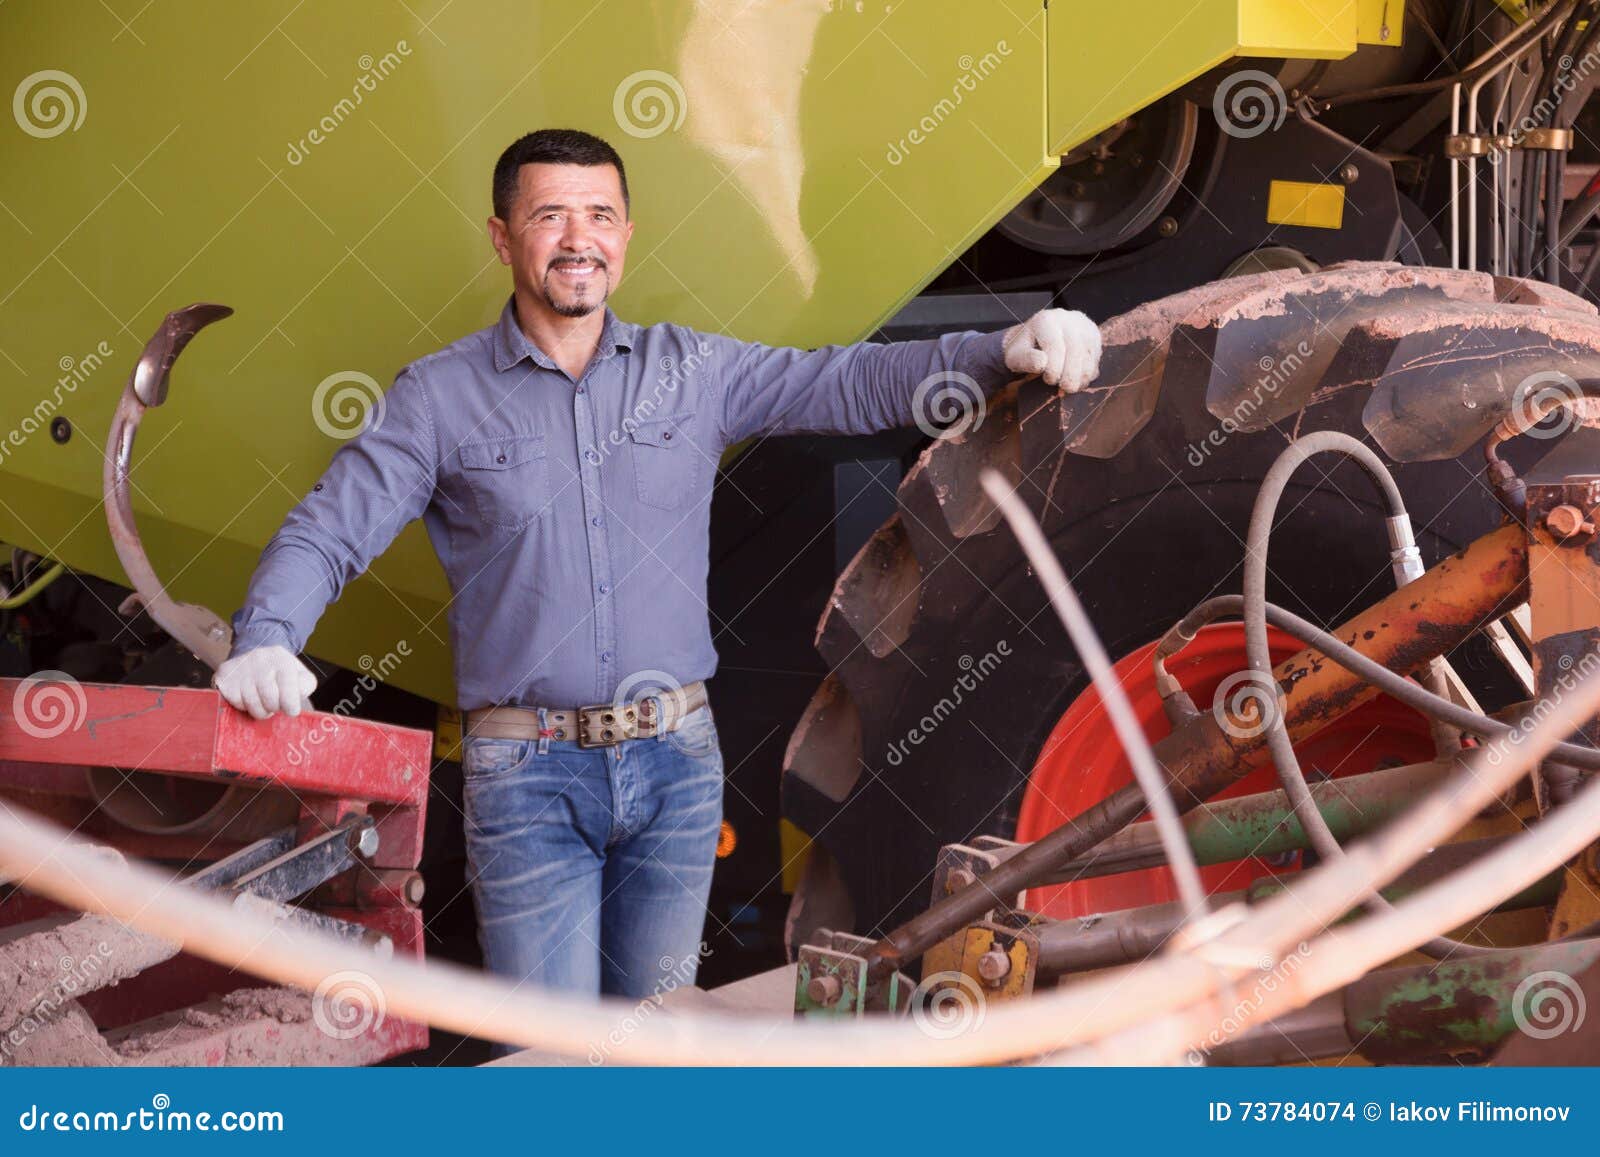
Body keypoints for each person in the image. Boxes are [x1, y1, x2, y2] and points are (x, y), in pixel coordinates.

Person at [213, 128, 1101, 1030]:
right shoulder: (438, 398)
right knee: (548, 1057)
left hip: (677, 765)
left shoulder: (691, 372)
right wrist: (268, 635)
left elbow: (849, 382)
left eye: (599, 214)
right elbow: (328, 529)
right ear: (501, 234)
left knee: (659, 1044)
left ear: (626, 233)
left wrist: (1003, 348)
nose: (577, 238)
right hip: (528, 775)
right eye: (549, 214)